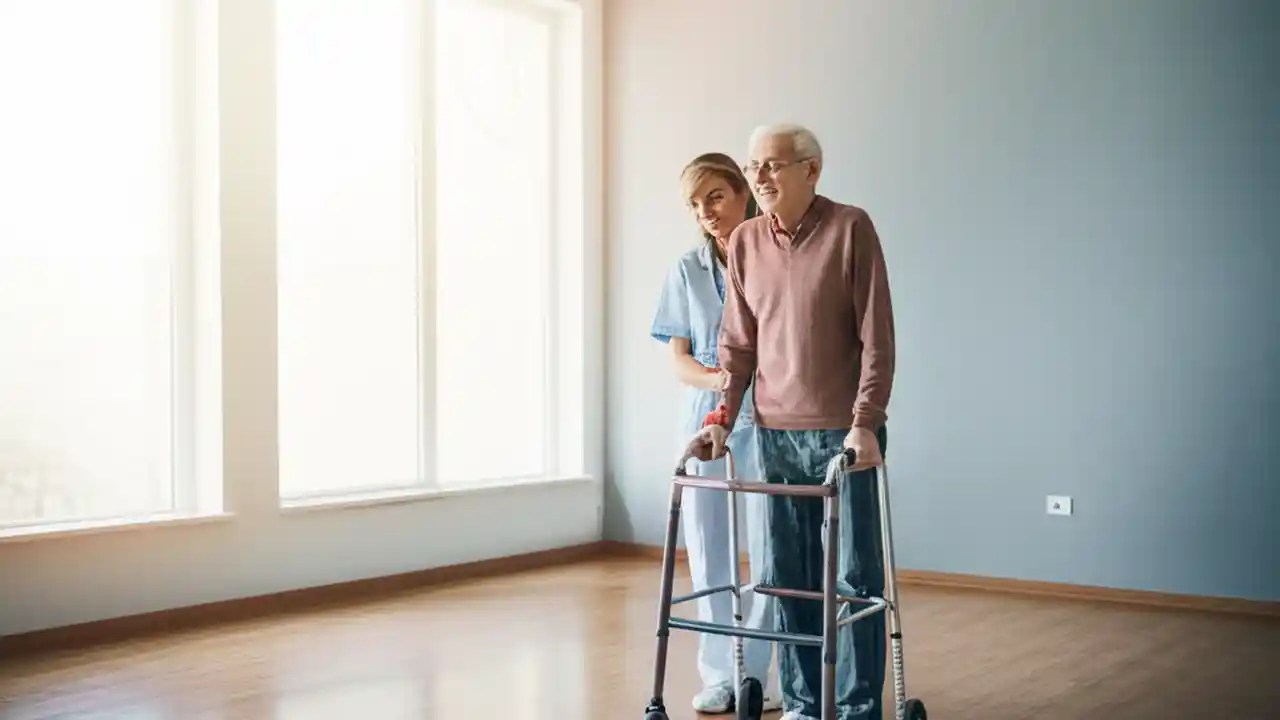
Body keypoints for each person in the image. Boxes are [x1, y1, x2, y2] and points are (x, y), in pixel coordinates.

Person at [692, 124, 896, 720]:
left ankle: (856, 708)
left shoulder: (850, 228)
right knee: (788, 579)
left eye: (774, 165)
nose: (760, 177)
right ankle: (806, 706)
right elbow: (736, 347)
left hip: (844, 435)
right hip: (776, 435)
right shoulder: (748, 241)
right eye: (755, 165)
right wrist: (723, 419)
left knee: (855, 579)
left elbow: (876, 337)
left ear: (812, 169)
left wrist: (866, 420)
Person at [650, 152, 782, 714]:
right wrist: (718, 378)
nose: (706, 210)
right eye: (695, 202)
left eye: (715, 196)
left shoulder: (777, 256)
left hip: (771, 418)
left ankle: (760, 675)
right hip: (706, 423)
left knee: (772, 548)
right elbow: (678, 359)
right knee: (708, 552)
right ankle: (720, 673)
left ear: (742, 192)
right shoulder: (687, 269)